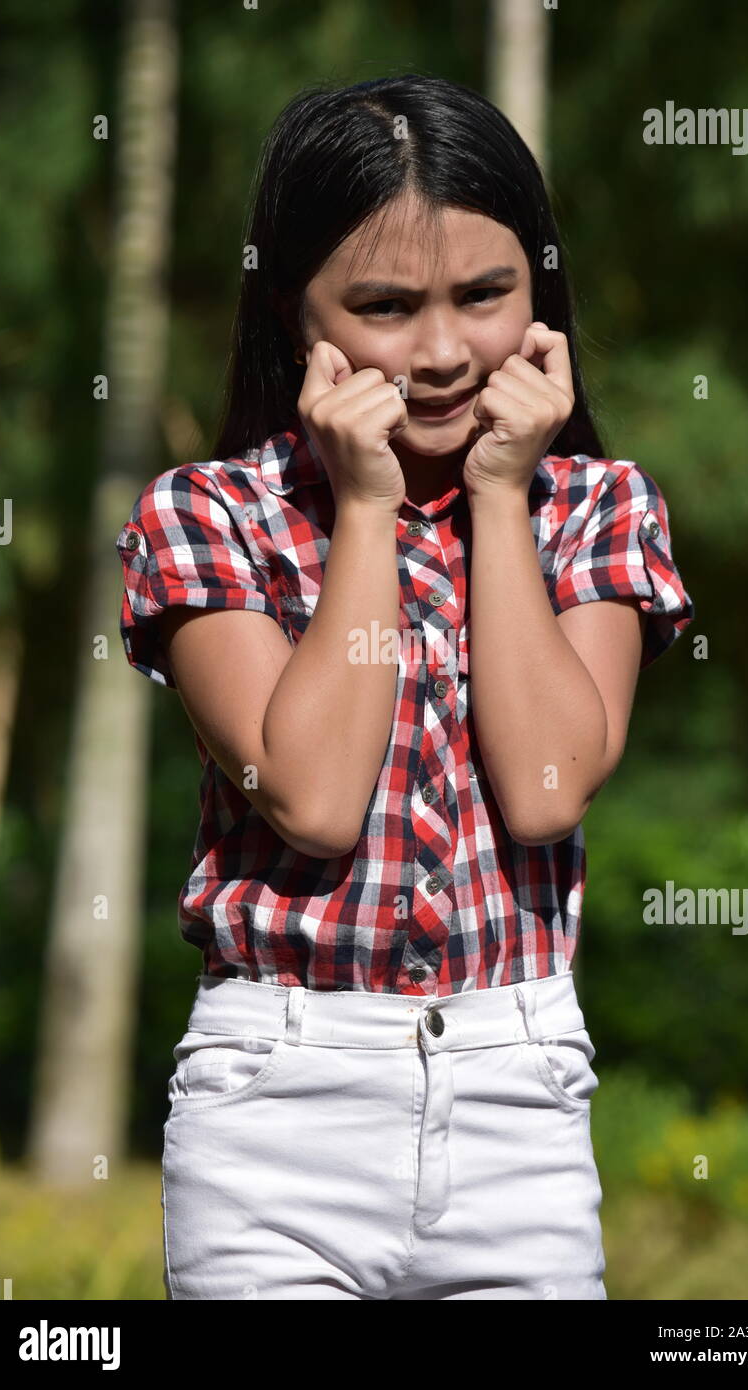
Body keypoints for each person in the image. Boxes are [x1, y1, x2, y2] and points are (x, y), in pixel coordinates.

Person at [115, 73, 694, 1301]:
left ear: (537, 290)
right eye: (383, 306)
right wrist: (367, 508)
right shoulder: (210, 515)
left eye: (484, 295)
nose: (441, 351)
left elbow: (544, 792)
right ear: (295, 313)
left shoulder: (595, 506)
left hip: (516, 1105)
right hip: (274, 1111)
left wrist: (496, 494)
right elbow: (315, 796)